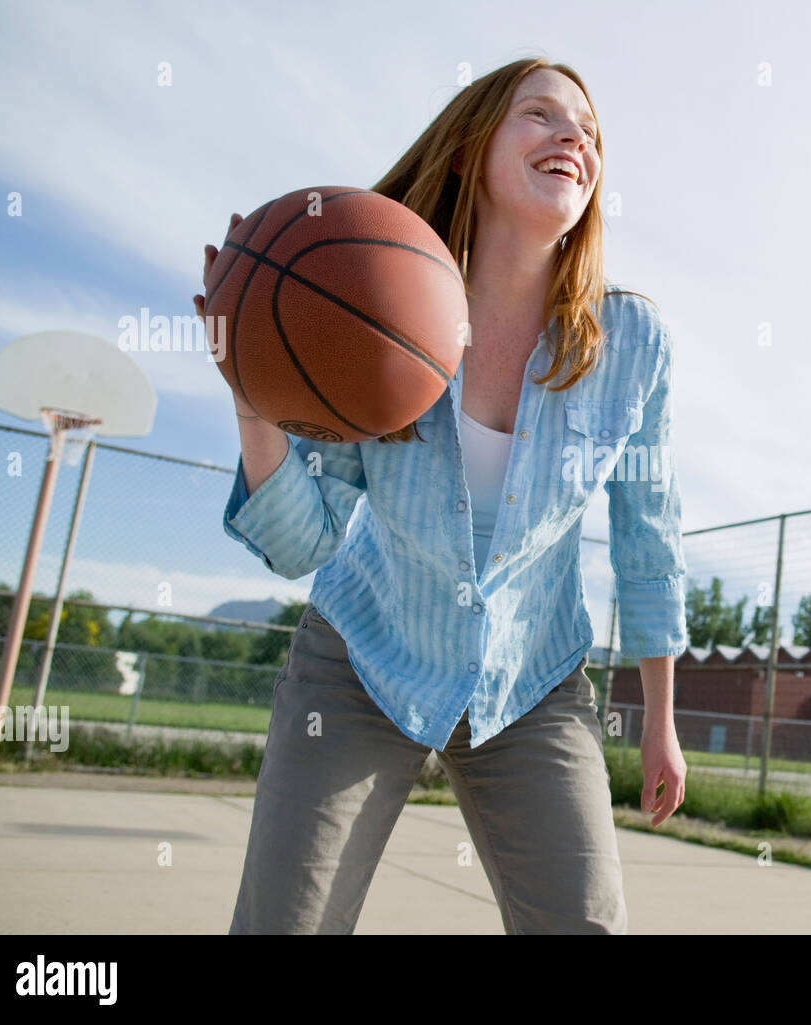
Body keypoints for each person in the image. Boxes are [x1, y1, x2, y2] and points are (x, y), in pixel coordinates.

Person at [193, 58, 689, 935]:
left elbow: (650, 540)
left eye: (590, 131)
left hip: (531, 679)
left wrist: (662, 720)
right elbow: (303, 546)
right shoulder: (367, 310)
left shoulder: (633, 343)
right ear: (469, 149)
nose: (575, 136)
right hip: (366, 657)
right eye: (540, 114)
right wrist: (252, 389)